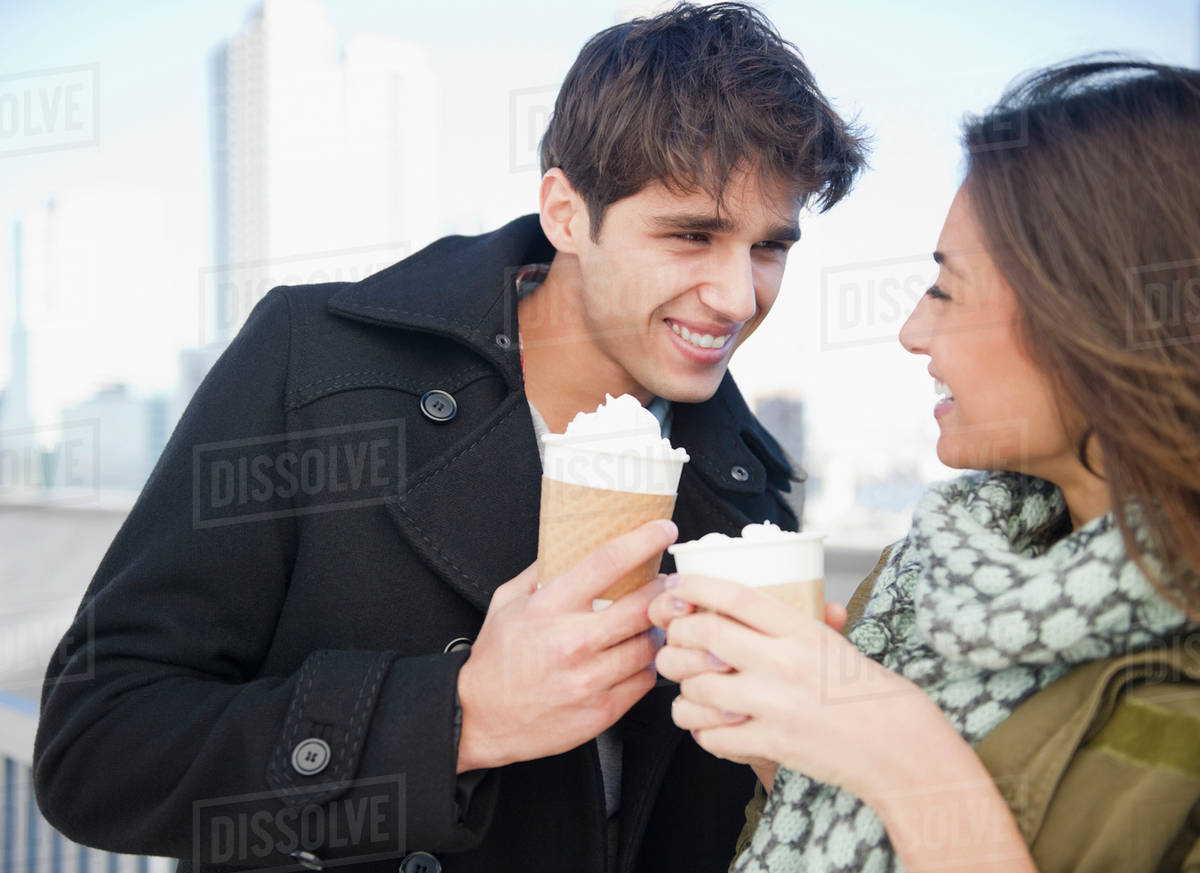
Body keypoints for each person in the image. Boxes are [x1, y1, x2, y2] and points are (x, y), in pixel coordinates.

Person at [32, 5, 866, 873]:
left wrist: (797, 759)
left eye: (770, 246)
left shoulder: (749, 487)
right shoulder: (314, 363)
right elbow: (95, 749)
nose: (738, 296)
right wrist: (457, 716)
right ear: (566, 212)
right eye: (691, 234)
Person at [651, 59, 1200, 872]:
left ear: (1095, 315)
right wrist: (784, 734)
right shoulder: (927, 575)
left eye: (948, 288)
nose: (912, 330)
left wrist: (900, 753)